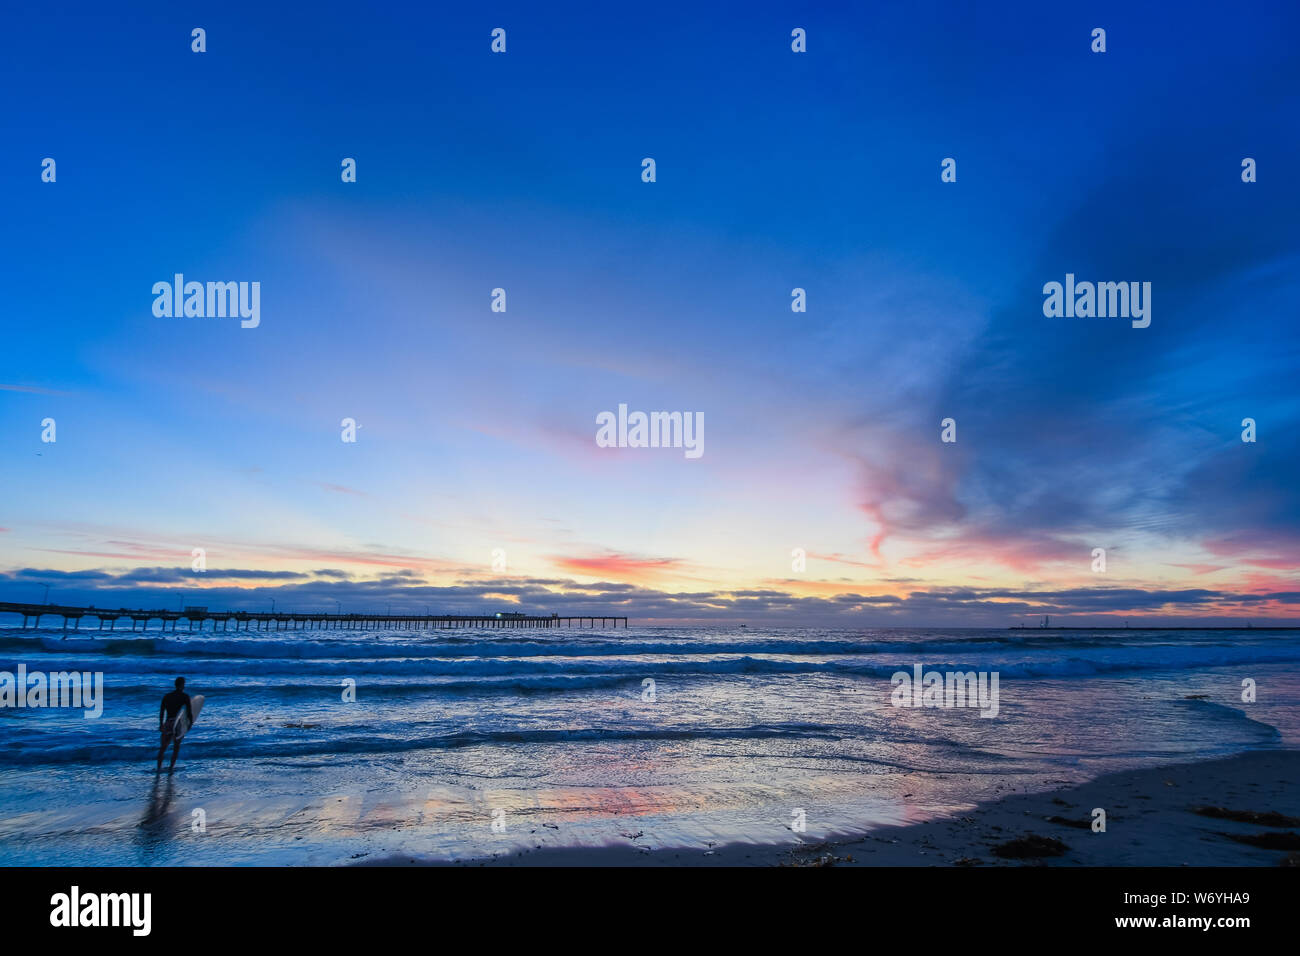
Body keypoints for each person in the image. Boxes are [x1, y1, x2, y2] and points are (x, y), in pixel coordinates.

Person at [156, 677, 194, 773]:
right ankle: (171, 768)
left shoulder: (167, 696)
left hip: (168, 722)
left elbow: (161, 712)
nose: (184, 686)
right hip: (177, 724)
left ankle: (158, 768)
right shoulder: (184, 696)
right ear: (181, 685)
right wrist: (190, 723)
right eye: (184, 684)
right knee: (176, 747)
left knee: (163, 747)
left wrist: (161, 724)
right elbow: (189, 712)